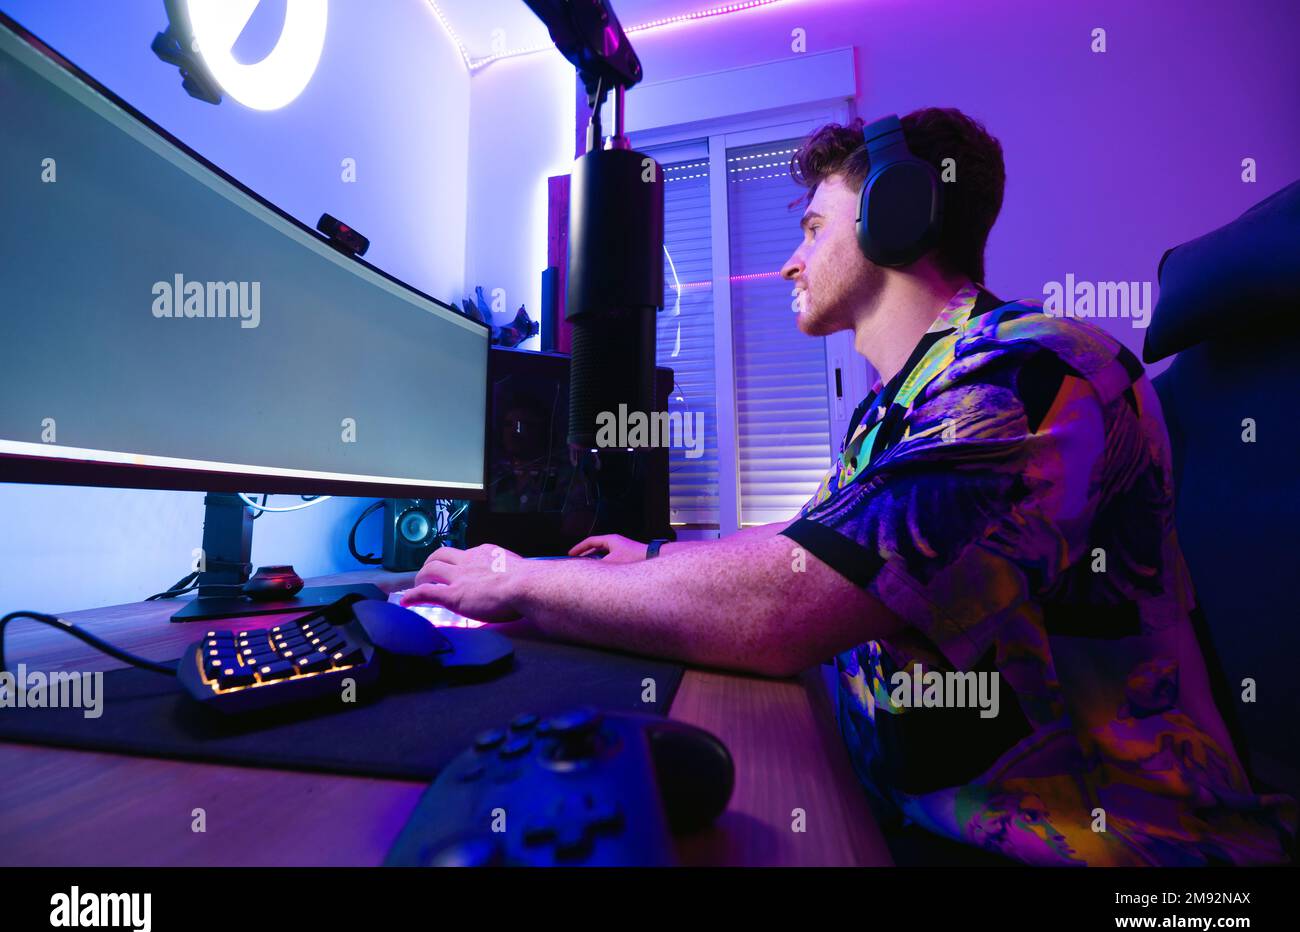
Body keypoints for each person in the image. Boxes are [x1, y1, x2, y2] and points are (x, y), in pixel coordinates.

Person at [403, 108, 1295, 866]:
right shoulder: (898, 409)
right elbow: (812, 554)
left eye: (812, 227)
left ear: (893, 218)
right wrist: (658, 557)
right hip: (929, 824)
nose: (792, 262)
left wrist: (518, 581)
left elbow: (786, 609)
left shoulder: (1030, 375)